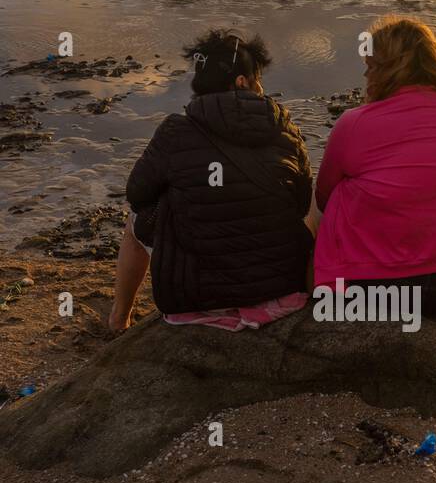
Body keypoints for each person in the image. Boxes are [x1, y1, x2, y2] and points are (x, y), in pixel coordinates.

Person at [109, 31, 314, 333]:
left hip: (195, 299)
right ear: (242, 83)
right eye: (258, 79)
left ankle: (119, 320)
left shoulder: (174, 132)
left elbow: (137, 195)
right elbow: (300, 204)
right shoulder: (287, 131)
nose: (261, 87)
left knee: (135, 219)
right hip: (281, 292)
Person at [313, 16, 436, 316]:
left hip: (383, 292)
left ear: (388, 69)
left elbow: (323, 198)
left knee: (335, 194)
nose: (366, 74)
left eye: (371, 65)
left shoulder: (354, 124)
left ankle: (322, 290)